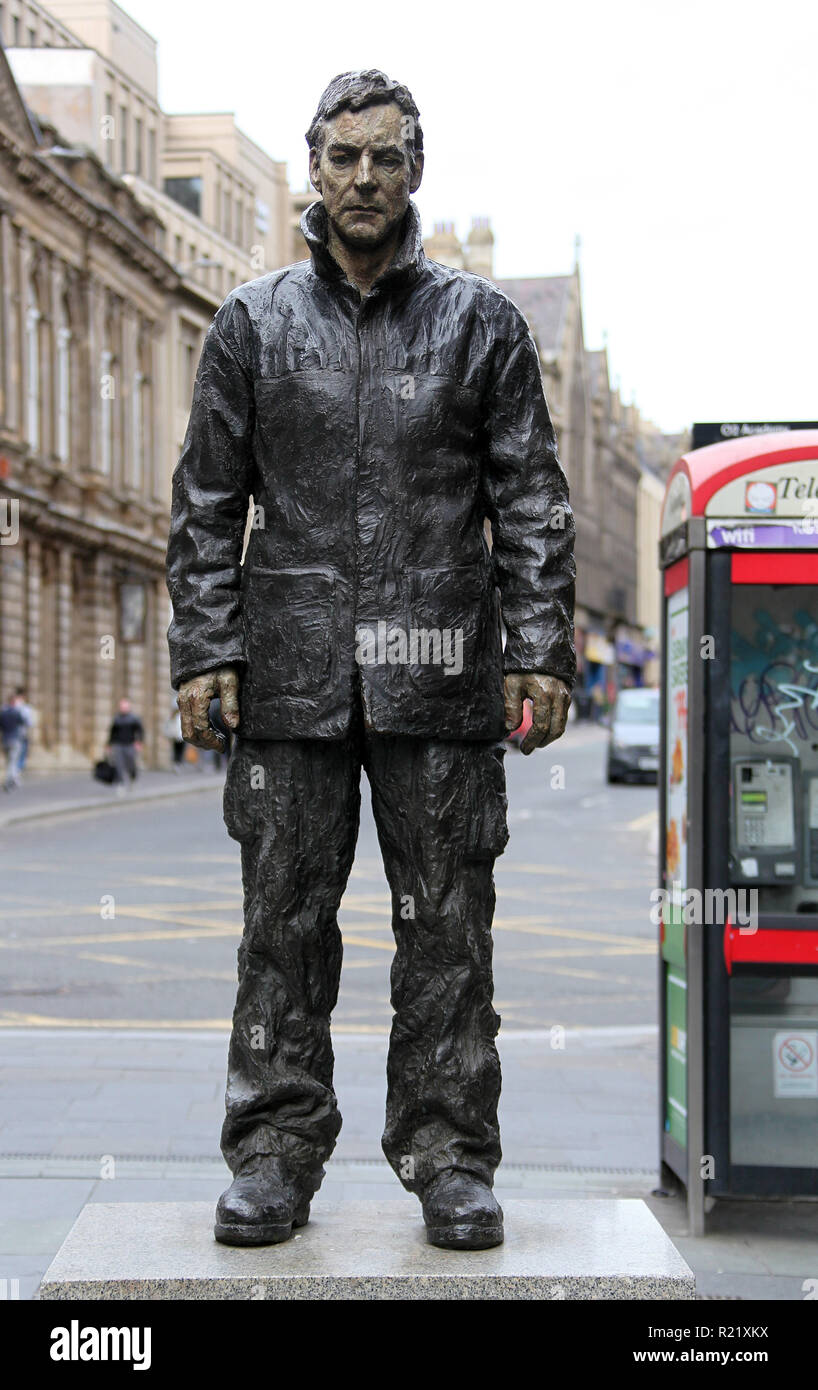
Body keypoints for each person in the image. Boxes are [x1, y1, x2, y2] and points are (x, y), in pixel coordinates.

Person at [166, 70, 576, 1252]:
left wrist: (537, 648)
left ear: (414, 171)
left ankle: (447, 1153)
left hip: (439, 666)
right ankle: (273, 1153)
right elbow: (206, 502)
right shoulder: (251, 324)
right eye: (342, 157)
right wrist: (204, 649)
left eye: (383, 158)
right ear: (312, 167)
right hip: (290, 670)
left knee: (445, 924)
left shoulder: (480, 324)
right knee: (281, 924)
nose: (361, 179)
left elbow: (532, 499)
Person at [107, 697, 144, 791]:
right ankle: (121, 783)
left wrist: (139, 742)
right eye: (122, 707)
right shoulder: (117, 719)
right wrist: (109, 744)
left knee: (131, 764)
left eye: (125, 706)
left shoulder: (134, 718)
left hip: (130, 744)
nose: (123, 708)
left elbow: (140, 731)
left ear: (128, 707)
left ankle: (132, 778)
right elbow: (112, 732)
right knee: (119, 765)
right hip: (118, 744)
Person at [0, 692, 26, 791]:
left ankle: (15, 779)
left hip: (5, 740)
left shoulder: (3, 713)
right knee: (12, 762)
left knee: (9, 761)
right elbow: (24, 723)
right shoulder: (16, 712)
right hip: (15, 740)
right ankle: (8, 781)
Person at [15, 688, 34, 770]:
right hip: (22, 732)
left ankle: (16, 767)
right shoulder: (24, 707)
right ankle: (18, 767)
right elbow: (29, 721)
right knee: (22, 750)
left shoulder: (11, 705)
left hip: (13, 733)